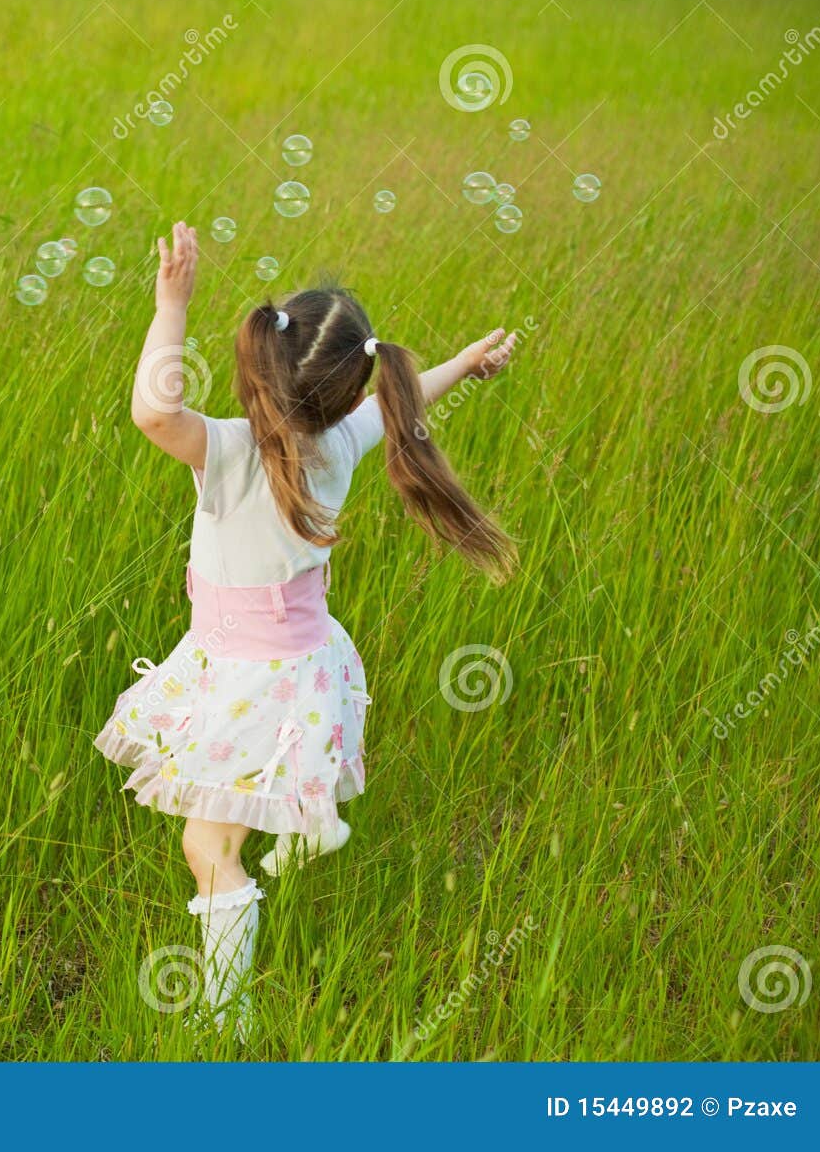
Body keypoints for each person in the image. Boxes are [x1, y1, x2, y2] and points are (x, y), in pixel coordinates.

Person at [94, 221, 519, 1039]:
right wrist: (464, 362)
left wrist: (170, 303)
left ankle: (227, 1014)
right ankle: (303, 827)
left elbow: (154, 410)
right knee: (240, 814)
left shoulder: (226, 451)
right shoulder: (347, 439)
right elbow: (407, 395)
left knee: (207, 849)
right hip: (306, 669)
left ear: (265, 364)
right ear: (357, 387)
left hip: (240, 680)